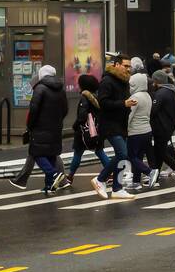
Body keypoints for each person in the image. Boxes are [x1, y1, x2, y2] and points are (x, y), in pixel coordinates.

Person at [10, 64, 70, 194]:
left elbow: (34, 110)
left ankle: (54, 175)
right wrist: (56, 120)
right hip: (56, 127)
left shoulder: (40, 88)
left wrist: (30, 125)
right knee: (51, 155)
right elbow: (65, 109)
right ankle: (50, 186)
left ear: (42, 74)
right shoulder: (61, 90)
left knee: (37, 153)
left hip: (40, 127)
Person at [92, 54, 137, 199]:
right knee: (122, 153)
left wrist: (128, 106)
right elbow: (103, 103)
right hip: (110, 124)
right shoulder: (107, 81)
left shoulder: (124, 81)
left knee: (123, 156)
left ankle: (117, 188)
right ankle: (100, 179)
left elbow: (124, 101)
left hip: (121, 123)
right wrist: (123, 104)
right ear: (116, 65)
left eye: (129, 66)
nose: (128, 69)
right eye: (126, 66)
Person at [65, 73, 111, 184]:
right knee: (100, 151)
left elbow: (82, 116)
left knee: (78, 153)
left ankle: (70, 176)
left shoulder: (84, 98)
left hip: (84, 131)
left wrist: (75, 126)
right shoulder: (97, 97)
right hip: (97, 129)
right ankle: (111, 173)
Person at [149, 72, 175, 187]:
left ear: (156, 81)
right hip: (169, 126)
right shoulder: (172, 91)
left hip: (160, 126)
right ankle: (154, 178)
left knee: (161, 152)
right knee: (159, 152)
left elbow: (153, 110)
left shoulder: (160, 94)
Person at [125, 72, 156, 190]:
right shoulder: (147, 95)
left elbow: (129, 115)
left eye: (132, 84)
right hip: (147, 131)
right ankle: (136, 181)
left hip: (135, 132)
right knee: (138, 156)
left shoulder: (135, 97)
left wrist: (124, 129)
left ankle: (149, 172)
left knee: (131, 156)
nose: (130, 87)